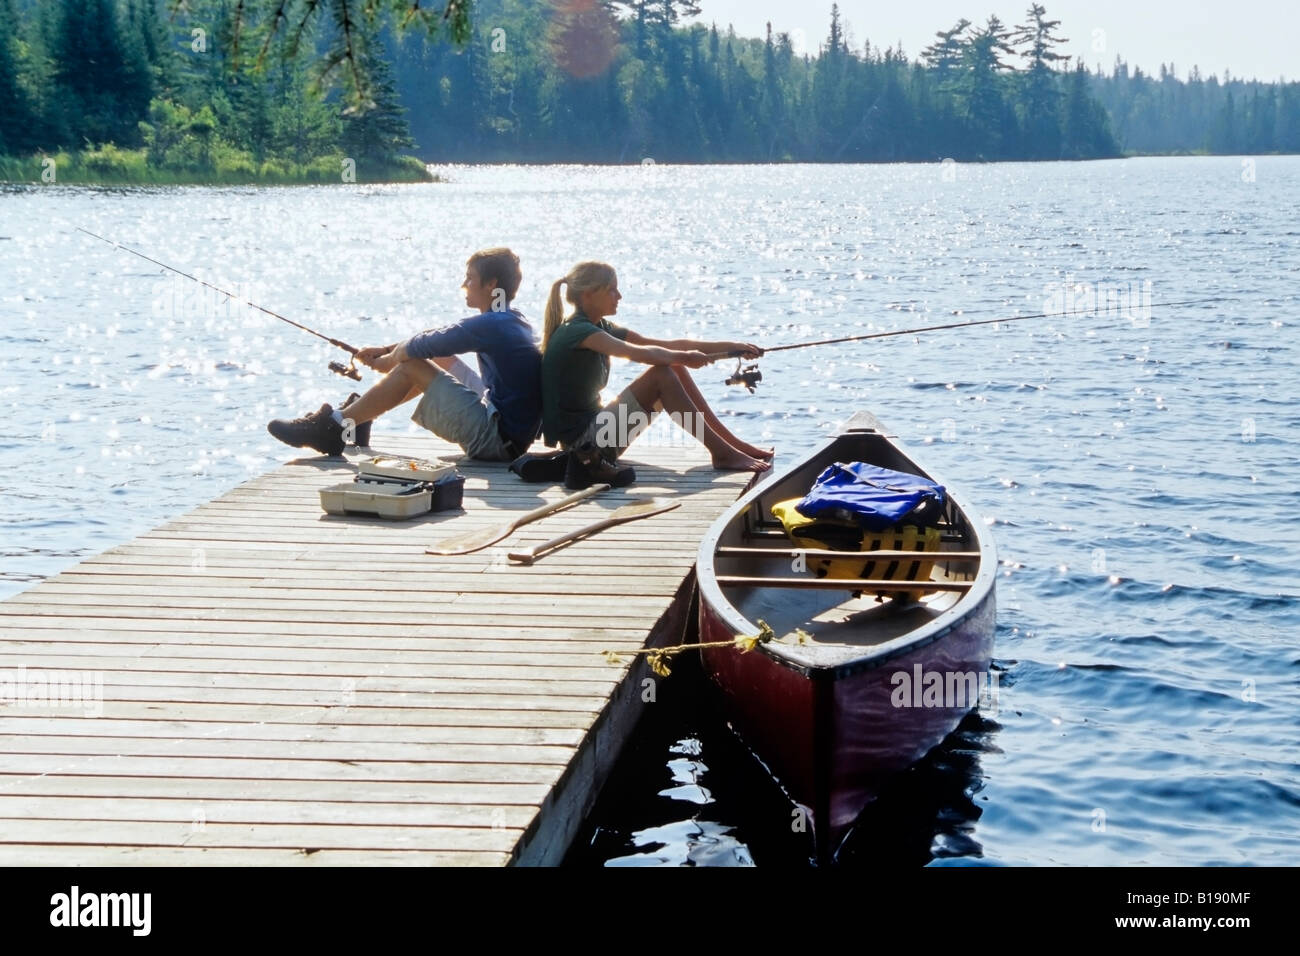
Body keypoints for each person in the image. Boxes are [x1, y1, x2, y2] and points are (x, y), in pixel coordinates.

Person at [267, 248, 541, 461]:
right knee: (435, 358)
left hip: (498, 441)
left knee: (412, 366)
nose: (463, 284)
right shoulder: (509, 319)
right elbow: (436, 338)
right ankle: (357, 418)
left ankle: (333, 428)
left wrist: (388, 361)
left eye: (470, 278)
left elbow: (421, 346)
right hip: (508, 429)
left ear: (491, 284)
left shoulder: (492, 325)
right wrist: (386, 350)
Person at [540, 260, 773, 489]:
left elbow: (666, 344)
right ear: (588, 295)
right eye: (612, 290)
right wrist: (686, 358)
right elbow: (637, 353)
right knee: (662, 374)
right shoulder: (579, 331)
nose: (619, 296)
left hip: (597, 437)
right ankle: (722, 453)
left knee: (673, 368)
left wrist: (734, 347)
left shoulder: (598, 326)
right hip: (583, 451)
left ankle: (730, 446)